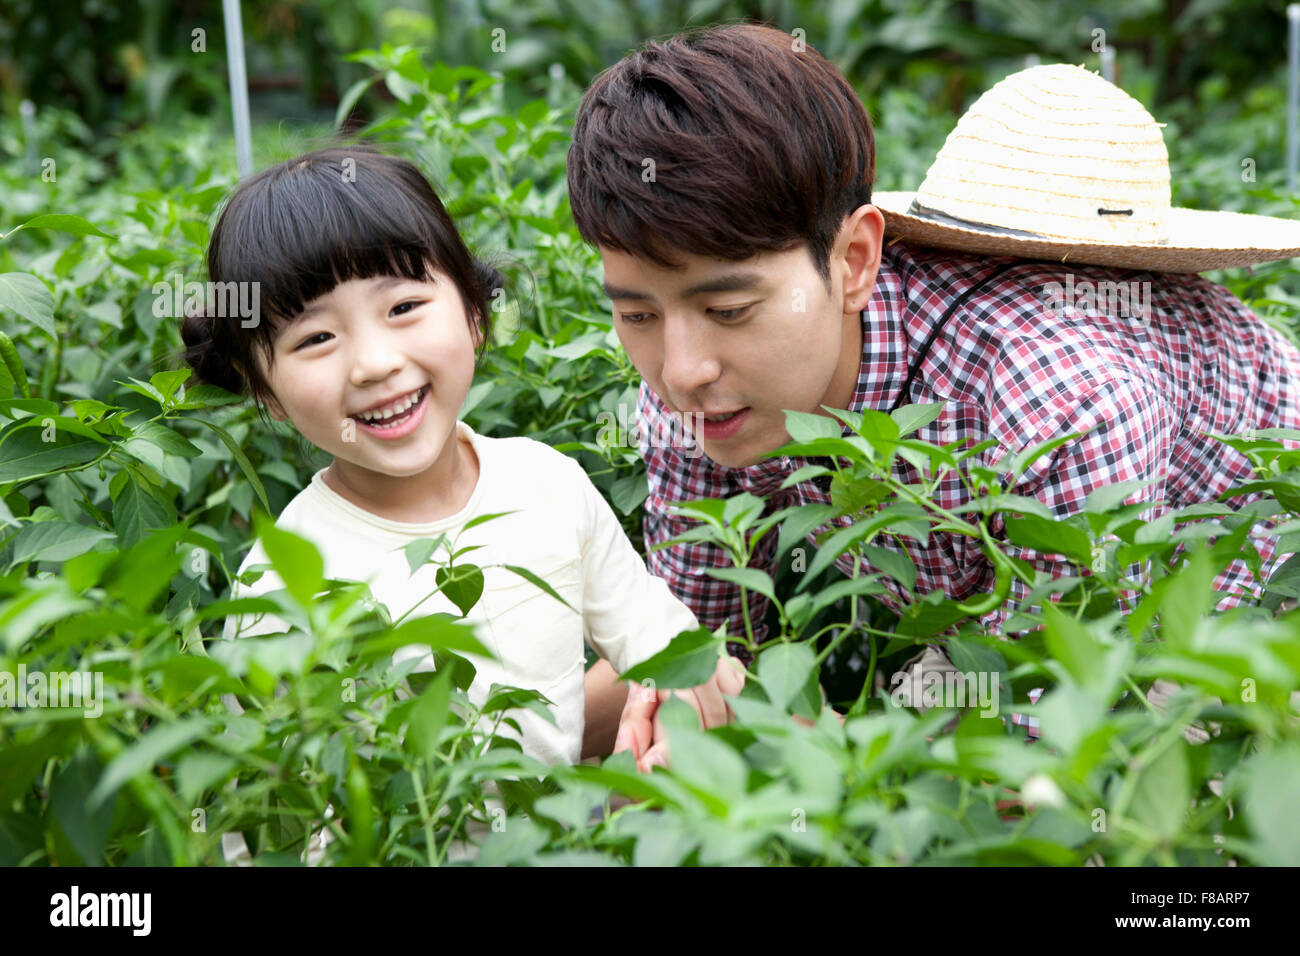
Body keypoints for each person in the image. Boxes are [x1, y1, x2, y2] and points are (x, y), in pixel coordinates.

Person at [567, 24, 1300, 739]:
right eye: (636, 314)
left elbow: (1066, 731)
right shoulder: (695, 390)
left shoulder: (1054, 397)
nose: (681, 371)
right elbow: (696, 643)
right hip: (992, 612)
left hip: (1246, 573)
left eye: (729, 309)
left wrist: (823, 755)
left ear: (854, 262)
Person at [180, 145, 744, 860]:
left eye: (404, 307)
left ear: (476, 314)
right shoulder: (283, 582)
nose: (375, 362)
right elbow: (272, 829)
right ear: (267, 393)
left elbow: (663, 639)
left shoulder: (547, 484)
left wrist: (673, 707)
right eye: (316, 337)